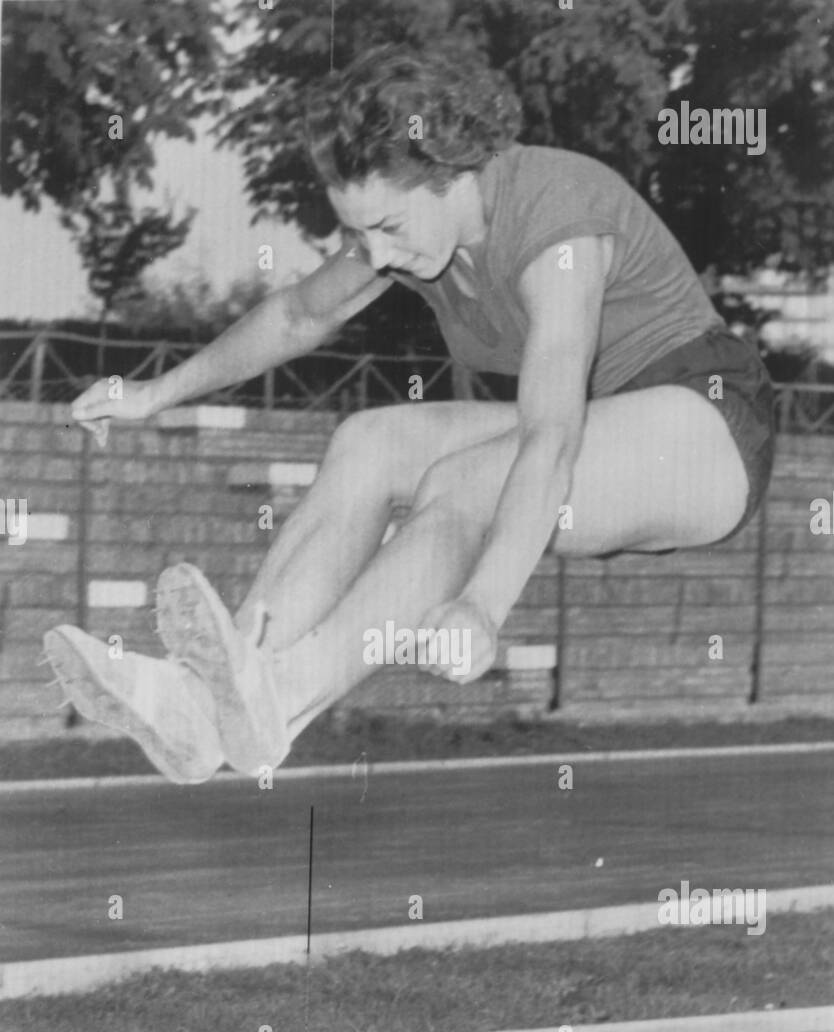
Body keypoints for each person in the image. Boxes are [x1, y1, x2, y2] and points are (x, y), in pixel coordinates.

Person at [45, 44, 774, 783]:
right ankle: (215, 702)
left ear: (451, 169)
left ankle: (282, 694)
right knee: (372, 440)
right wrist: (153, 393)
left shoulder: (557, 216)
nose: (374, 253)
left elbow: (551, 437)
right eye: (358, 234)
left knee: (467, 481)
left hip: (705, 428)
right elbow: (298, 315)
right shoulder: (404, 237)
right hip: (603, 424)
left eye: (388, 227)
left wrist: (482, 606)